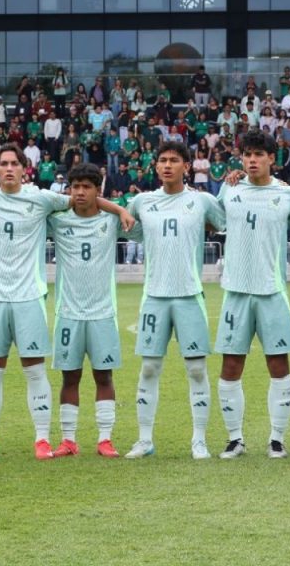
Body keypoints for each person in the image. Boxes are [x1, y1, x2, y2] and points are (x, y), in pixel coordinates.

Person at [0, 143, 132, 460]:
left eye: (15, 163)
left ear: (25, 168)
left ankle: (42, 440)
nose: (9, 168)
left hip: (29, 297)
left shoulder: (41, 200)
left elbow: (84, 199)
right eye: (3, 164)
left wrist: (121, 210)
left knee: (35, 371)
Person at [212, 132, 290, 459]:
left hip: (272, 292)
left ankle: (277, 439)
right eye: (247, 154)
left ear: (272, 158)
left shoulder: (287, 194)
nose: (252, 160)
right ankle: (235, 438)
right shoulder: (230, 188)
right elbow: (212, 220)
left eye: (259, 154)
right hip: (236, 292)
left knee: (278, 363)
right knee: (230, 364)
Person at [124, 141, 226, 460]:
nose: (168, 165)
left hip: (189, 296)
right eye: (162, 160)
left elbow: (226, 219)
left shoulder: (202, 201)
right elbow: (126, 226)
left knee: (196, 370)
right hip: (154, 297)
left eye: (174, 160)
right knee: (150, 367)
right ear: (155, 167)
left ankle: (199, 440)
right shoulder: (141, 201)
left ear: (187, 166)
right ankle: (144, 439)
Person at [47, 163, 139, 459]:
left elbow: (126, 217)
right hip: (68, 313)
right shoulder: (57, 221)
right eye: (76, 187)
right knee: (69, 378)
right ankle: (69, 440)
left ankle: (104, 439)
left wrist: (120, 210)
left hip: (103, 314)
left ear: (97, 190)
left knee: (104, 377)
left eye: (87, 187)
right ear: (69, 190)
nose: (81, 192)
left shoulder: (110, 221)